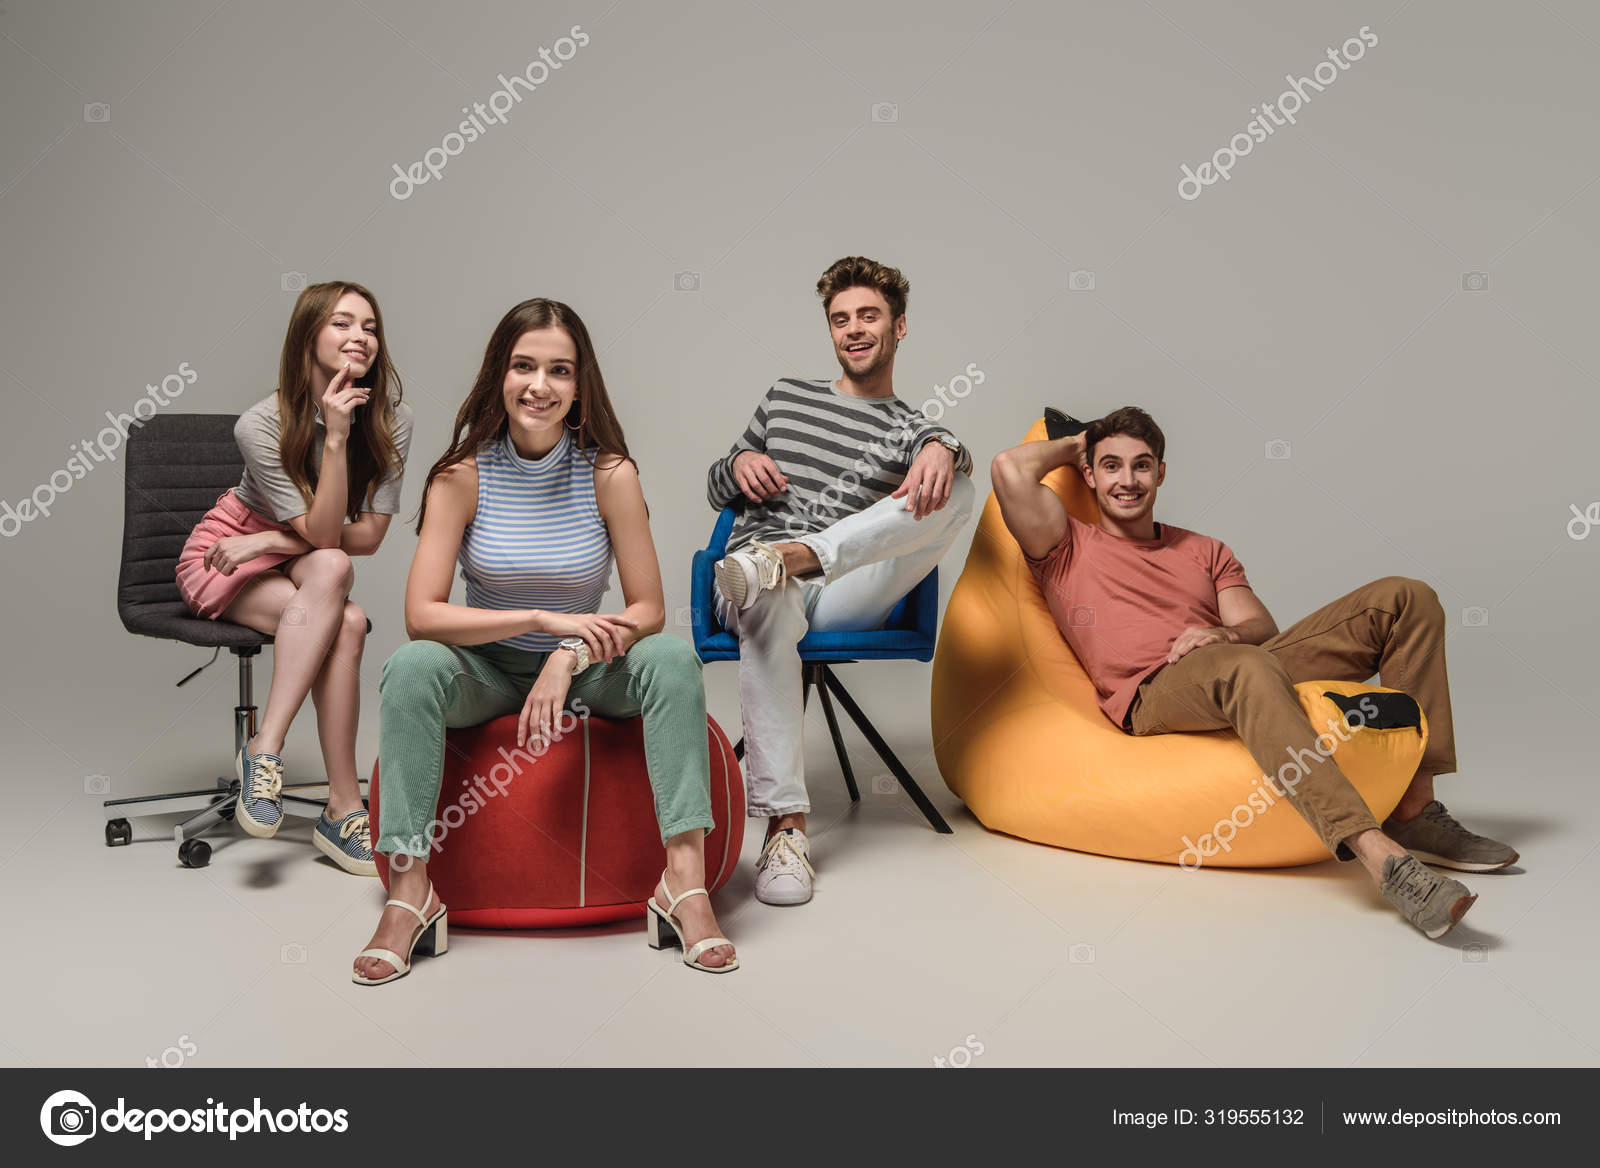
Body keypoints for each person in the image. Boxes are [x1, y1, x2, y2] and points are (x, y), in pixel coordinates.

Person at [990, 406, 1518, 939]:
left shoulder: (1204, 550)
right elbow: (1008, 470)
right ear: (1090, 475)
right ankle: (1381, 857)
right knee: (1243, 666)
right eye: (1111, 466)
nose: (1128, 480)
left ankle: (1414, 808)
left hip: (1236, 661)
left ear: (1162, 473)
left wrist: (1222, 634)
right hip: (1154, 690)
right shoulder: (1066, 545)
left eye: (1142, 465)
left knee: (1406, 598)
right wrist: (1077, 442)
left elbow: (1258, 626)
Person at [353, 298, 735, 985]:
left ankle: (684, 882)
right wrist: (544, 621)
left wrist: (570, 653)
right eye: (524, 366)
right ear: (499, 374)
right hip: (485, 671)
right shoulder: (461, 475)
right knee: (411, 667)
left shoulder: (609, 474)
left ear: (579, 385)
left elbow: (647, 608)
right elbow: (422, 614)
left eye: (560, 370)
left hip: (589, 671)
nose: (540, 385)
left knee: (674, 654)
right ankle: (410, 891)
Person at [706, 256, 976, 907]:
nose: (854, 329)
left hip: (841, 589)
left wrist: (944, 444)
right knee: (766, 591)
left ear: (899, 326)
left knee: (960, 490)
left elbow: (948, 467)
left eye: (869, 316)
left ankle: (803, 552)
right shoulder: (786, 396)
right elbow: (715, 485)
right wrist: (738, 462)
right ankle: (786, 830)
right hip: (751, 579)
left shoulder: (911, 426)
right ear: (832, 329)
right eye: (841, 318)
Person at [175, 280, 413, 876]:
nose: (360, 336)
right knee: (347, 614)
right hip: (224, 555)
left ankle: (277, 759)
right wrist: (332, 437)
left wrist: (271, 539)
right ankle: (328, 795)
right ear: (307, 336)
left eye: (370, 326)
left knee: (335, 575)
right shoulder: (260, 423)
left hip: (281, 550)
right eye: (341, 323)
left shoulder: (391, 419)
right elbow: (332, 535)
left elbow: (369, 537)